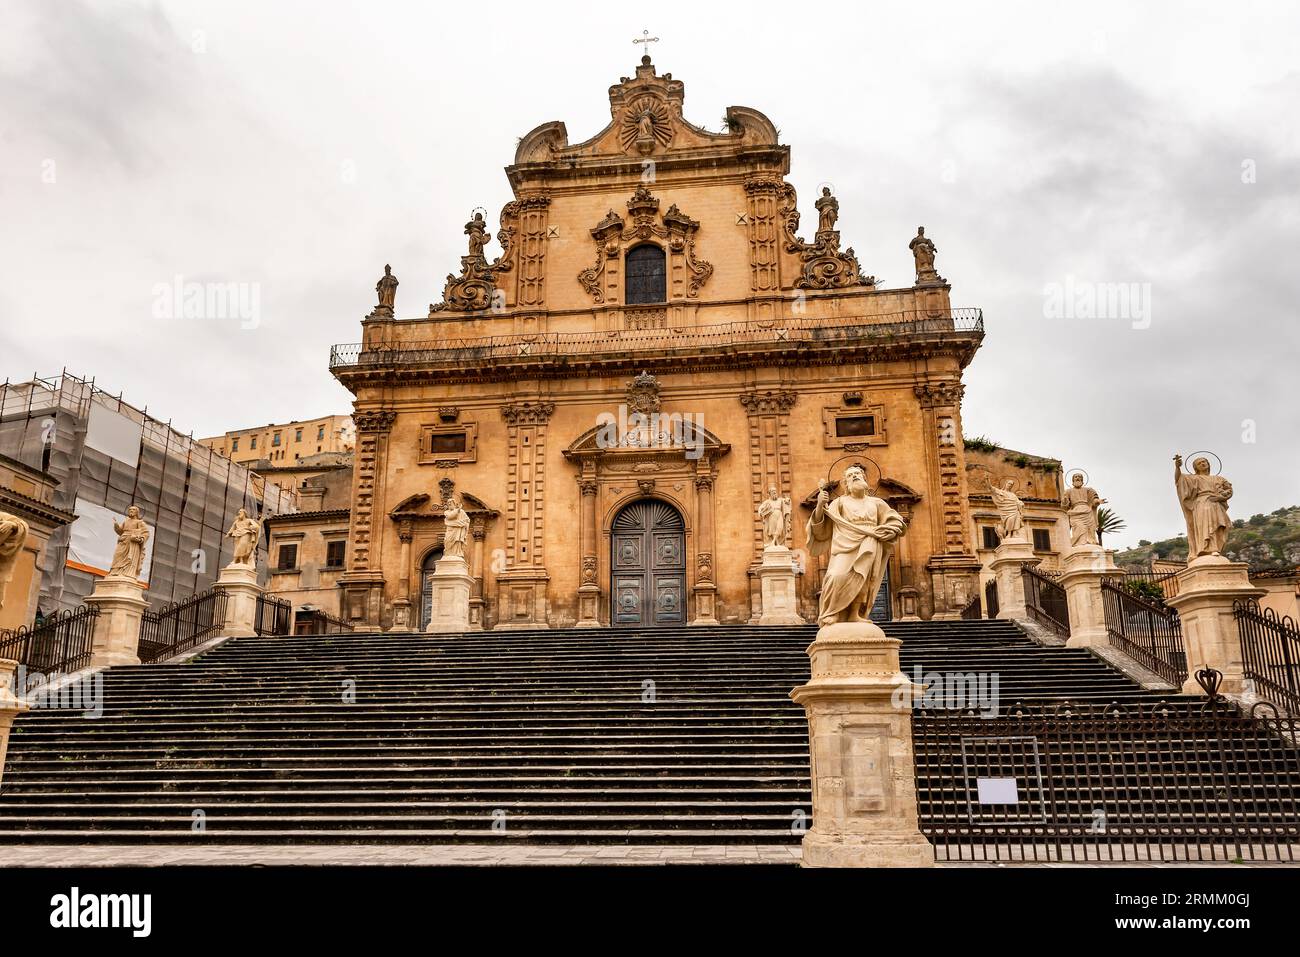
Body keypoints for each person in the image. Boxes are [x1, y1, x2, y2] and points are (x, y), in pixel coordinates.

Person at [805, 466, 906, 626]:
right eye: (850, 475)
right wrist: (819, 505)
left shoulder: (877, 503)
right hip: (845, 545)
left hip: (870, 542)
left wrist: (890, 529)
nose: (855, 477)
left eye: (857, 474)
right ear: (846, 484)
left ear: (864, 478)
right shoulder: (839, 503)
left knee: (862, 580)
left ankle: (854, 614)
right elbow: (821, 528)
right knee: (836, 576)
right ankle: (833, 612)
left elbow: (894, 520)